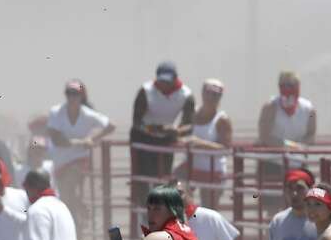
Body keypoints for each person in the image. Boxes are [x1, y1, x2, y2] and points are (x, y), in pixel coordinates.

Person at [129, 62, 195, 229]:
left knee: (162, 181)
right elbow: (137, 122)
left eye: (168, 80)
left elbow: (189, 124)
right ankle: (144, 221)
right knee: (143, 182)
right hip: (143, 139)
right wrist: (155, 129)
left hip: (166, 141)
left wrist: (176, 131)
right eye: (161, 80)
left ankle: (162, 222)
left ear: (175, 79)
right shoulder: (146, 91)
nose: (164, 84)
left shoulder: (186, 94)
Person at [45, 80, 114, 221]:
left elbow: (111, 125)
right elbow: (57, 138)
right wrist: (82, 142)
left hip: (79, 160)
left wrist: (93, 139)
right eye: (69, 94)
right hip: (60, 161)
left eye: (75, 94)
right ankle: (79, 213)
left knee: (67, 190)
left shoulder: (87, 114)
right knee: (64, 195)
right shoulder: (56, 112)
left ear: (81, 96)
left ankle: (77, 219)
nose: (72, 97)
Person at [178, 79, 233, 208]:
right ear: (203, 93)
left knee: (209, 210)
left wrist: (199, 143)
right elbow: (180, 133)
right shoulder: (192, 114)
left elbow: (226, 149)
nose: (212, 97)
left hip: (213, 169)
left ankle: (205, 225)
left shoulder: (222, 119)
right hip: (191, 166)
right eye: (209, 93)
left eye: (217, 94)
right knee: (175, 187)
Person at [257, 70, 316, 153]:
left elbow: (311, 134)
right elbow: (264, 136)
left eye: (291, 85)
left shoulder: (310, 111)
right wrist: (289, 146)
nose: (287, 89)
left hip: (298, 158)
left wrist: (298, 146)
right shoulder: (269, 108)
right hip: (273, 159)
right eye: (283, 86)